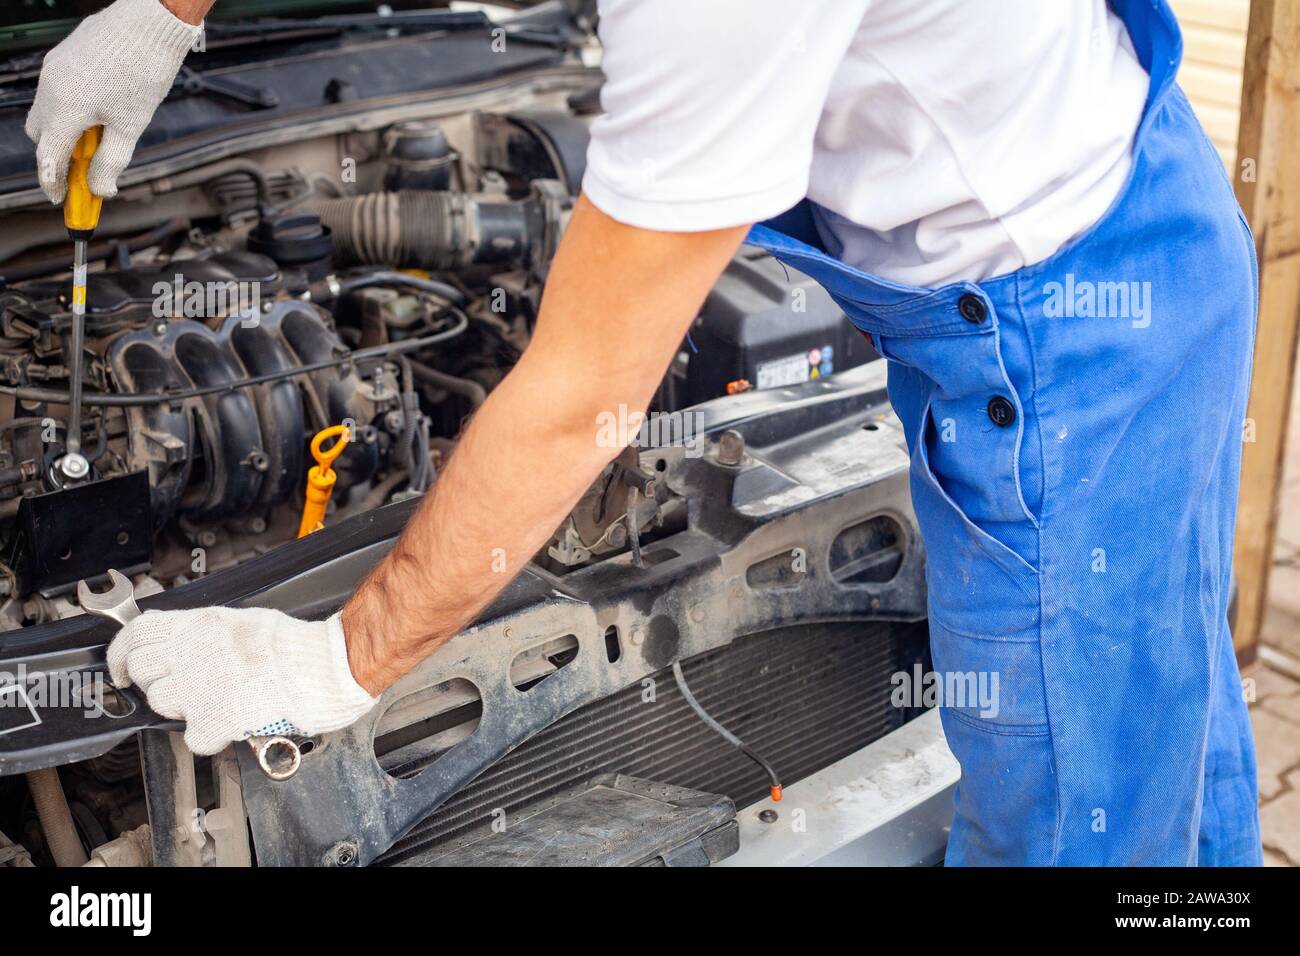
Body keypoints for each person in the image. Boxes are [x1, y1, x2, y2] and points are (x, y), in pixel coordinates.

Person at [25, 0, 1262, 865]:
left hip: (1068, 332)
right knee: (1160, 705)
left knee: (1081, 801)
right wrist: (166, 15)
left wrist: (339, 658)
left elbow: (579, 393)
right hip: (1096, 236)